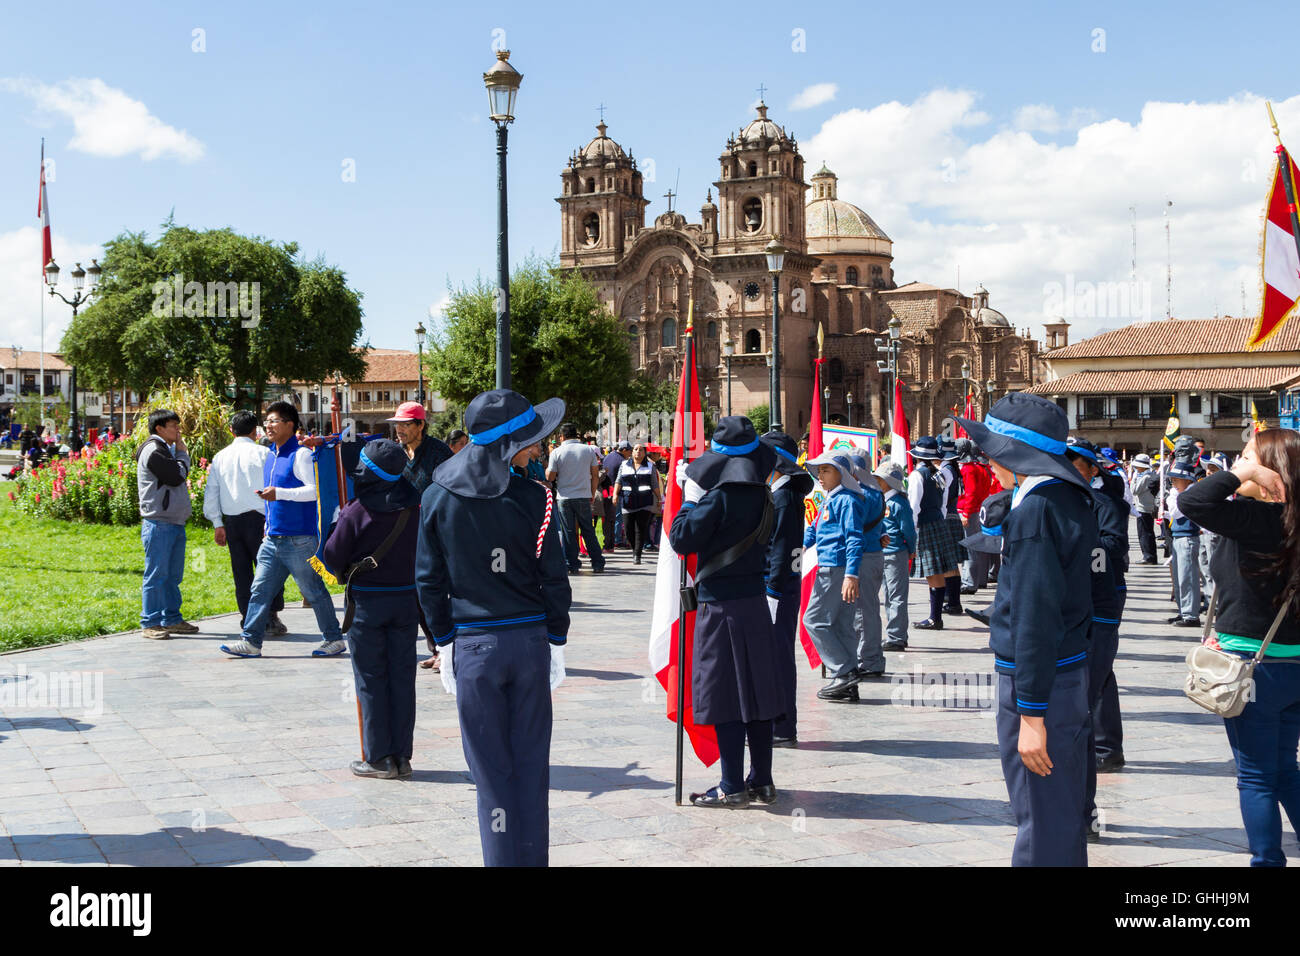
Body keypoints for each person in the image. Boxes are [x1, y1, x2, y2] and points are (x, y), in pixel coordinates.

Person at [416, 388, 571, 866]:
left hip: (473, 647)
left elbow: (427, 581)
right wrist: (557, 640)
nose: (539, 447)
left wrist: (442, 641)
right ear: (508, 445)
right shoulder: (536, 498)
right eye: (531, 440)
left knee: (491, 778)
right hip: (528, 643)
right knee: (530, 771)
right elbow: (554, 579)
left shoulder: (436, 497)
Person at [958, 392, 1097, 867]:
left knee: (1041, 818)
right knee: (1054, 812)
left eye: (994, 450)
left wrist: (1031, 715)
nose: (988, 460)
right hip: (1060, 673)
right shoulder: (1058, 498)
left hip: (1040, 681)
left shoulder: (1037, 509)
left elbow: (1036, 616)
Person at [1179, 429, 1299, 866]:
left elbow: (1191, 503)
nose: (1239, 463)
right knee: (1285, 770)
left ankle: (1266, 862)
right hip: (1292, 665)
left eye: (1247, 456)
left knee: (1256, 777)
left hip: (1254, 670)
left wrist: (1242, 473)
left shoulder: (1254, 519)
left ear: (1270, 467)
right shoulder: (1281, 517)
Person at [670, 416, 784, 806]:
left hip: (720, 605)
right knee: (757, 692)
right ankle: (763, 780)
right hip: (753, 601)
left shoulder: (718, 497)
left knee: (727, 696)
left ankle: (732, 784)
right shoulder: (763, 494)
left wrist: (688, 496)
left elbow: (681, 539)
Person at [322, 439, 420, 780]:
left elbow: (331, 558)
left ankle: (378, 758)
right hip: (408, 601)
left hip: (368, 604)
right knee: (403, 679)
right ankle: (402, 757)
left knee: (371, 680)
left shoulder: (356, 511)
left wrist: (336, 526)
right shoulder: (416, 506)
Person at [219, 401, 347, 659]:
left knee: (313, 591)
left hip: (300, 538)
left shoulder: (299, 454)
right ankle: (251, 640)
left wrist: (280, 494)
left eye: (275, 421)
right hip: (273, 538)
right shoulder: (271, 455)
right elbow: (271, 499)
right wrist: (268, 526)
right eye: (266, 421)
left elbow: (314, 492)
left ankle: (334, 638)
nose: (268, 425)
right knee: (260, 590)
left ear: (291, 425)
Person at [1065, 437, 1130, 834]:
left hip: (1101, 604)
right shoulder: (1058, 503)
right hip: (1072, 604)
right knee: (1097, 677)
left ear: (1091, 470)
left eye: (1077, 464)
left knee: (1094, 679)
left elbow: (1109, 550)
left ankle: (1104, 752)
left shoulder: (1106, 505)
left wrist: (1076, 546)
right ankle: (1108, 747)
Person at [203, 410, 286, 636]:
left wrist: (217, 523)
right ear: (254, 431)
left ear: (231, 430)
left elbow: (212, 492)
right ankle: (270, 616)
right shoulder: (265, 453)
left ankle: (247, 616)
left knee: (241, 572)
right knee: (268, 569)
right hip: (261, 519)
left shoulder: (220, 457)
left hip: (233, 521)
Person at [760, 430, 815, 746]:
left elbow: (782, 551)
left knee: (778, 656)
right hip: (781, 585)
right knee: (775, 655)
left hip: (778, 589)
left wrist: (772, 594)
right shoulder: (783, 493)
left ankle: (781, 724)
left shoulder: (783, 497)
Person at [801, 452, 867, 702]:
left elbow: (854, 538)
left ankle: (843, 672)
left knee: (814, 620)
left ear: (843, 474)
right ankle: (848, 684)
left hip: (836, 568)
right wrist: (802, 547)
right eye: (819, 471)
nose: (820, 475)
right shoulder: (831, 497)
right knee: (841, 625)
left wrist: (851, 574)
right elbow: (815, 529)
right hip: (834, 566)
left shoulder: (847, 500)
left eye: (826, 470)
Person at [136, 408, 199, 640]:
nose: (178, 430)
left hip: (172, 522)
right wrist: (183, 455)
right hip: (159, 523)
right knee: (156, 574)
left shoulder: (163, 449)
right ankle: (150, 621)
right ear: (159, 428)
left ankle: (171, 618)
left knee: (172, 575)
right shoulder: (154, 450)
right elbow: (176, 476)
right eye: (173, 425)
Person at [908, 436, 960, 630]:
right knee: (937, 571)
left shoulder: (916, 476)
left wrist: (912, 531)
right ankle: (935, 617)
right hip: (939, 522)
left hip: (926, 524)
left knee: (932, 572)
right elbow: (944, 503)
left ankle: (934, 618)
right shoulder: (941, 474)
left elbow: (913, 506)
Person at [546, 422, 606, 574]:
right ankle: (597, 562)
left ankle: (571, 563)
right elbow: (594, 475)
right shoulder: (588, 450)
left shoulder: (557, 452)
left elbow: (550, 477)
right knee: (588, 530)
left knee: (568, 531)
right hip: (583, 495)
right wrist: (592, 493)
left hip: (564, 497)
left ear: (562, 436)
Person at [849, 454, 887, 680]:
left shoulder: (860, 494)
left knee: (862, 611)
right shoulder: (875, 492)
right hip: (873, 553)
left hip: (863, 556)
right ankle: (871, 657)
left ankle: (870, 659)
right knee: (868, 609)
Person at [875, 460, 916, 652]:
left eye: (880, 478)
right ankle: (894, 633)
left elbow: (908, 530)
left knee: (896, 595)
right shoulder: (882, 500)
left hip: (896, 552)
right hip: (883, 554)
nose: (876, 481)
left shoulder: (899, 503)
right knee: (889, 595)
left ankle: (897, 636)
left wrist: (912, 548)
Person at [1166, 462, 1203, 627]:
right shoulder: (1181, 494)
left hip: (1188, 537)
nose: (1173, 483)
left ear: (1187, 480)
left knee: (1187, 577)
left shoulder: (1191, 494)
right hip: (1178, 536)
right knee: (1179, 577)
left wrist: (1173, 498)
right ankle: (1183, 611)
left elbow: (1177, 511)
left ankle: (1191, 614)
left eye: (1177, 479)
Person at [612, 442, 661, 564]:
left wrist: (659, 499)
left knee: (640, 529)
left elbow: (654, 484)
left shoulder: (650, 466)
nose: (638, 451)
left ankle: (637, 555)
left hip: (645, 503)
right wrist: (615, 495)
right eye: (636, 449)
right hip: (627, 502)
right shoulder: (624, 465)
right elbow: (618, 481)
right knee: (628, 530)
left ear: (644, 453)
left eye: (641, 450)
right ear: (632, 452)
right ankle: (635, 549)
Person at [938, 437, 968, 615]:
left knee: (948, 562)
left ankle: (953, 601)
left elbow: (942, 496)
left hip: (946, 516)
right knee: (951, 562)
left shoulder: (946, 471)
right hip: (952, 515)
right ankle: (953, 599)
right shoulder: (952, 469)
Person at [958, 444, 994, 595]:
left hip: (971, 510)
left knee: (970, 547)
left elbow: (971, 493)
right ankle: (979, 579)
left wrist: (966, 513)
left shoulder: (969, 469)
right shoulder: (981, 467)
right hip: (979, 509)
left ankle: (969, 582)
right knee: (978, 546)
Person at [601, 441, 632, 550]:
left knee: (608, 518)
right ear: (624, 450)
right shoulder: (622, 461)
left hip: (606, 491)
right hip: (616, 491)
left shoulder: (609, 456)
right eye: (630, 451)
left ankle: (611, 541)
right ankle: (617, 540)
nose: (631, 453)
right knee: (617, 517)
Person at [1130, 454, 1158, 564]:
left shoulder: (1145, 477)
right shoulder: (1150, 475)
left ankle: (1148, 556)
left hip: (1143, 508)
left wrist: (1134, 478)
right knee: (1147, 532)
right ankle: (1150, 555)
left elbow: (1135, 490)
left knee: (1144, 533)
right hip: (1147, 507)